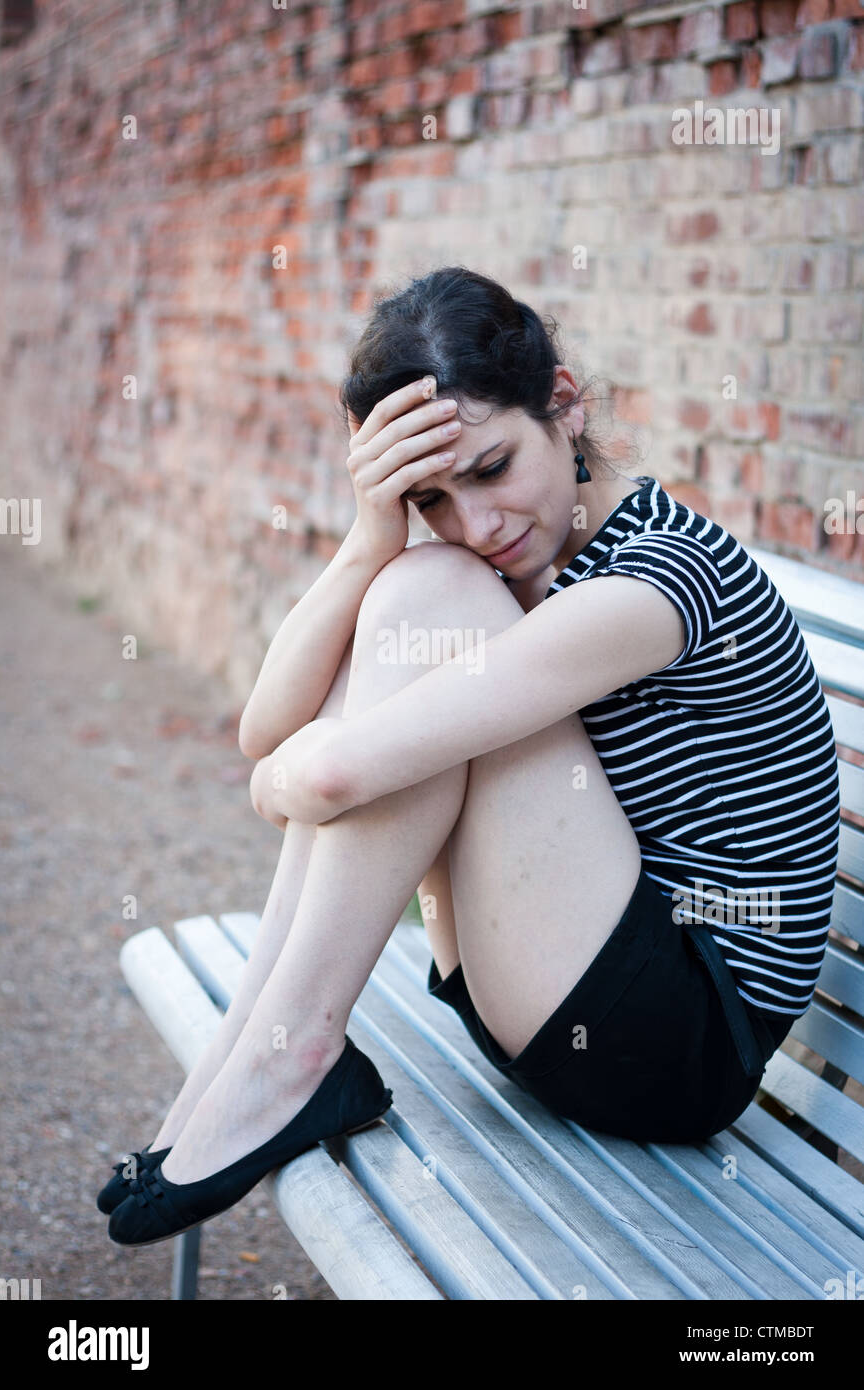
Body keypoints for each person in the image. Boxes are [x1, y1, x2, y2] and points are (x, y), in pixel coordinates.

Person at [99, 266, 841, 1246]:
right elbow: (268, 729)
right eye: (431, 497)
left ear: (563, 407)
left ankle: (292, 1056)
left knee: (433, 599)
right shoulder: (521, 558)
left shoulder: (656, 580)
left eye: (490, 468)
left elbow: (311, 770)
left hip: (675, 1043)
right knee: (419, 589)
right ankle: (254, 1053)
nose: (477, 525)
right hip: (559, 993)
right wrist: (373, 536)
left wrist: (279, 779)